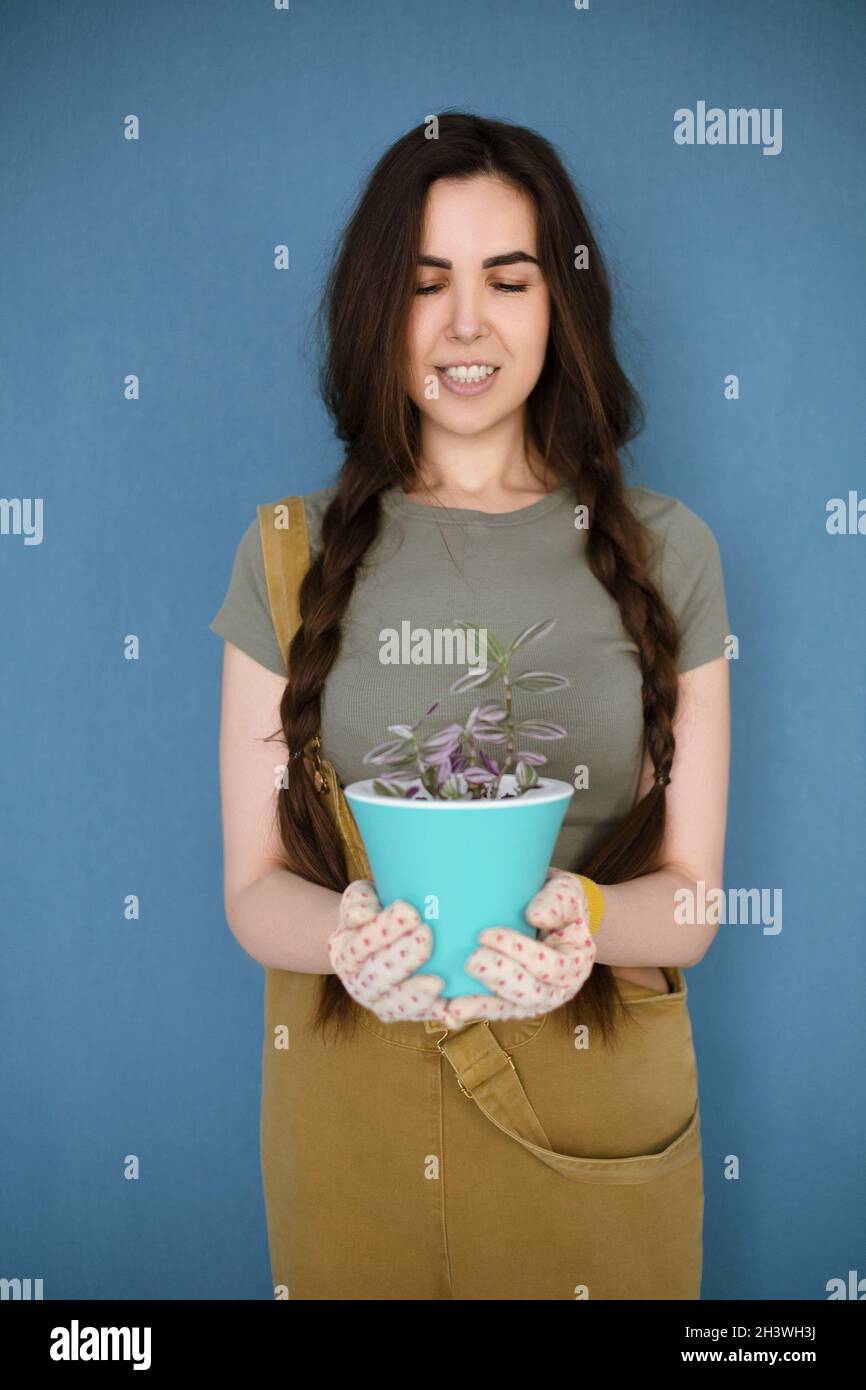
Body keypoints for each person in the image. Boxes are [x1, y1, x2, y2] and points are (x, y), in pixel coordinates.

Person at [210, 112, 731, 1300]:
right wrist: (344, 941)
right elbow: (251, 888)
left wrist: (582, 920)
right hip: (346, 1124)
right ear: (374, 309)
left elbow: (693, 899)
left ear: (560, 306)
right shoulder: (283, 552)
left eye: (507, 279)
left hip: (592, 1113)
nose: (463, 325)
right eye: (424, 281)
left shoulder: (668, 553)